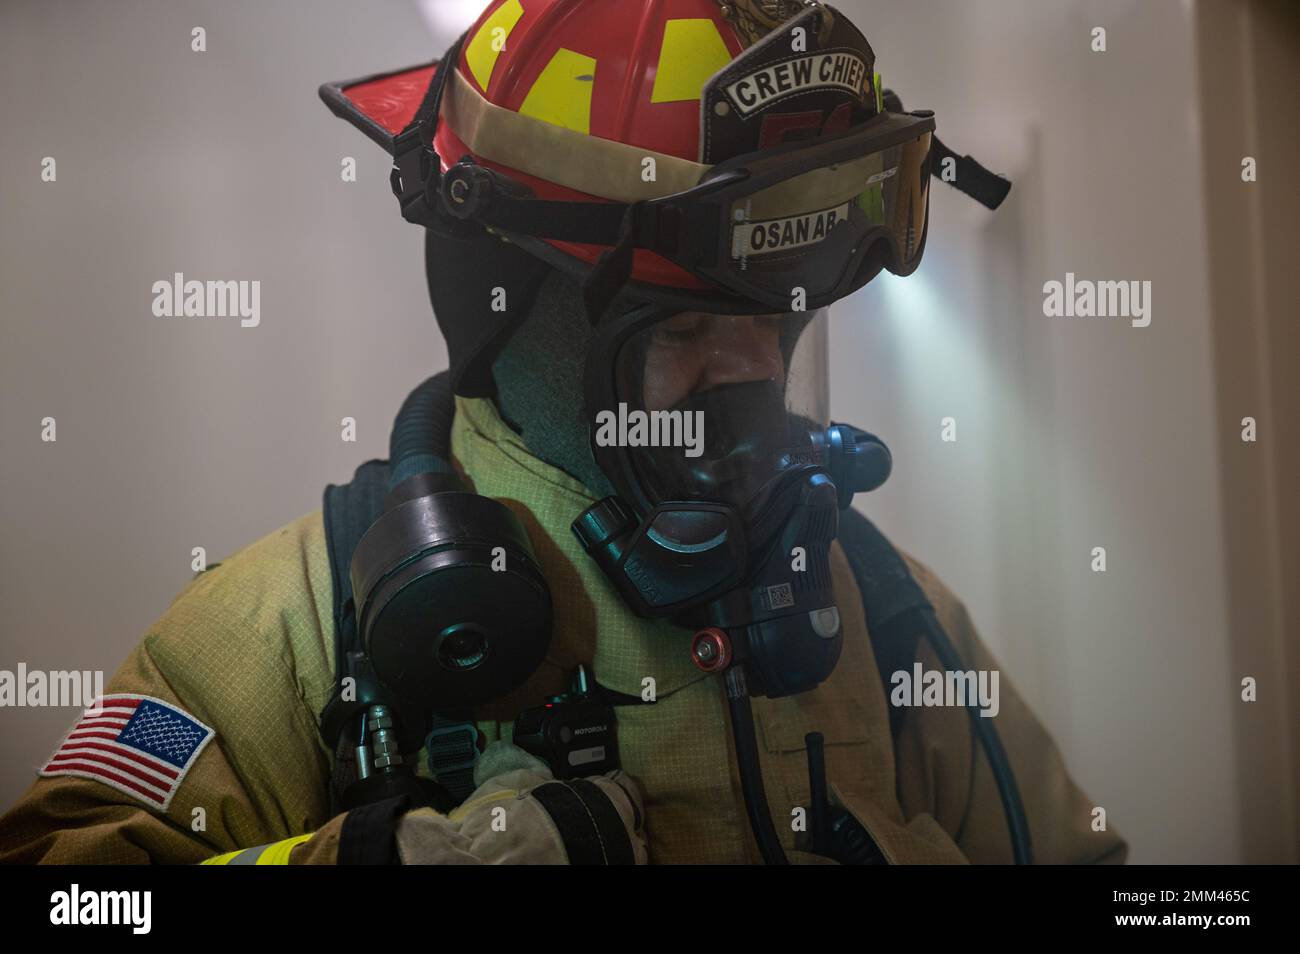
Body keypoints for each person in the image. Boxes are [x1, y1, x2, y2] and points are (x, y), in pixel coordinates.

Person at [0, 0, 1125, 865]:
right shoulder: (294, 630)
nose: (750, 379)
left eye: (779, 326)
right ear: (521, 315)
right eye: (685, 327)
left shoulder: (881, 605)